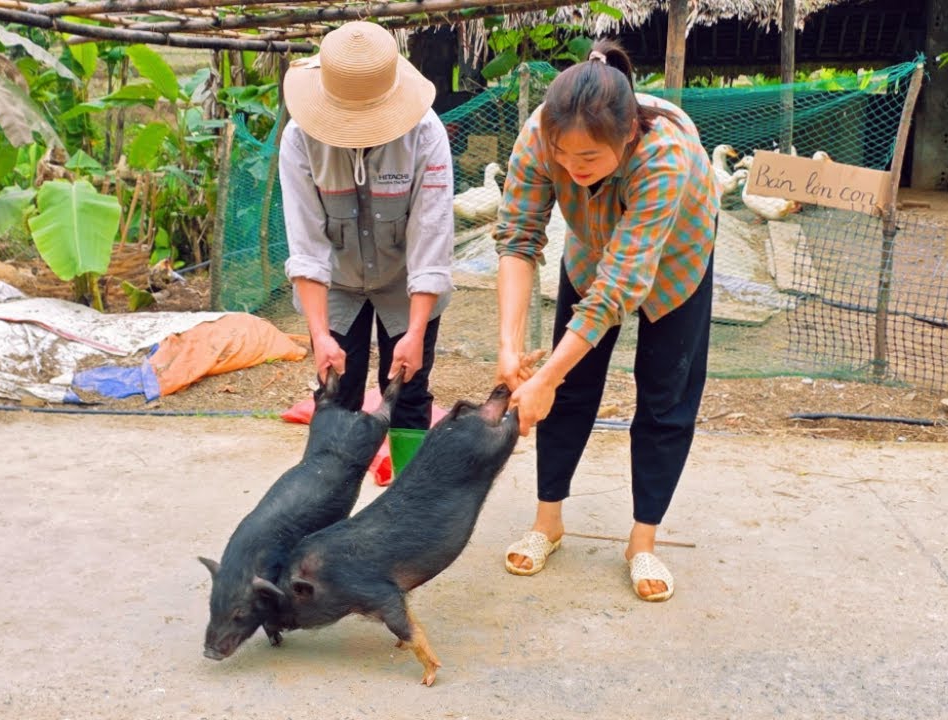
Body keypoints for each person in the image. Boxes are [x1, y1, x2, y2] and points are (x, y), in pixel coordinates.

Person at [494, 40, 719, 602]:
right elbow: (518, 239)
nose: (572, 167)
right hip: (591, 251)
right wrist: (510, 348)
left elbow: (618, 288)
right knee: (568, 388)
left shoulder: (664, 156)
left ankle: (642, 542)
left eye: (589, 158)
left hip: (677, 261)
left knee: (665, 397)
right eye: (562, 154)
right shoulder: (540, 134)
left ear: (628, 135)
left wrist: (545, 377)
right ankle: (548, 521)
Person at [280, 22, 454, 431]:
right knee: (335, 394)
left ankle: (407, 476)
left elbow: (431, 240)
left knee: (408, 392)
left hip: (405, 280)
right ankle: (335, 475)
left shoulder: (426, 134)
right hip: (337, 282)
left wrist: (415, 333)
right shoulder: (299, 139)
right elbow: (306, 245)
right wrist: (320, 337)